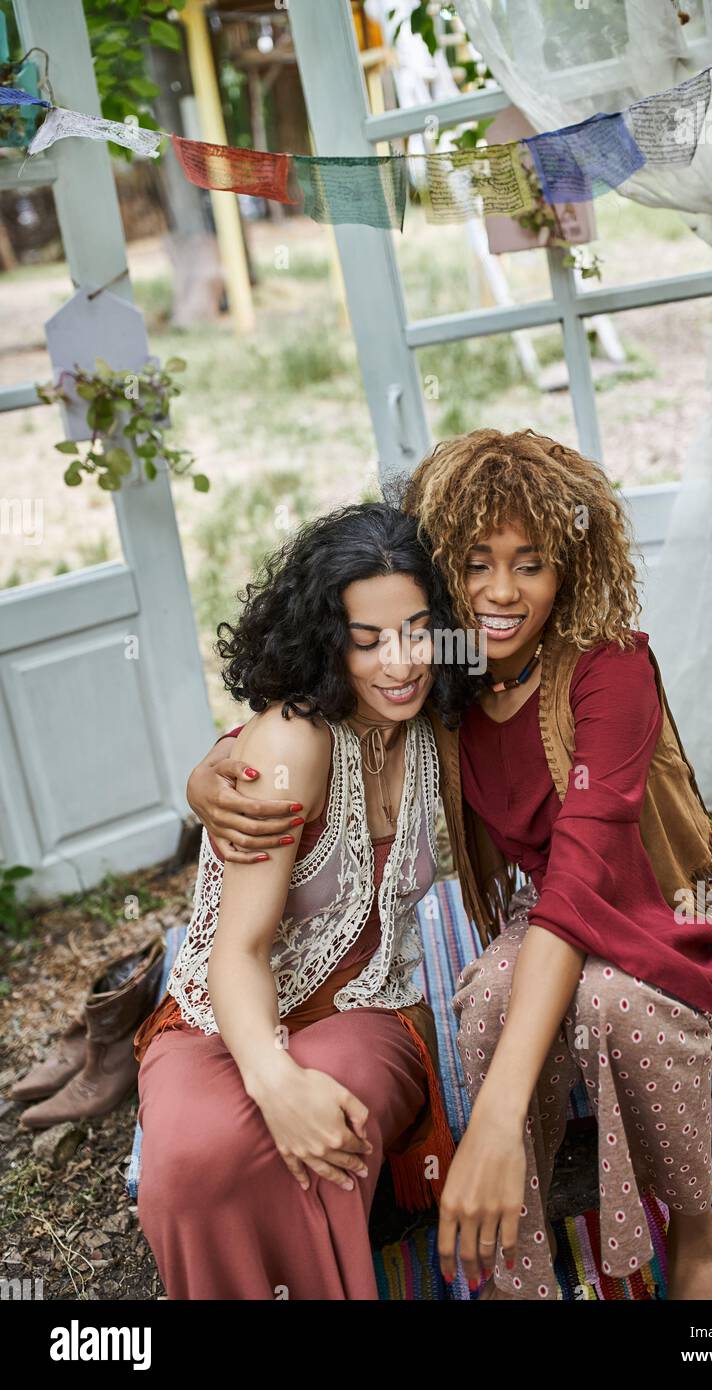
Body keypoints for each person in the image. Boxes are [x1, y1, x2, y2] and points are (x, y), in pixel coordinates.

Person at [187, 430, 712, 1302]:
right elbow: (328, 700)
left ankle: (694, 1225)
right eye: (474, 564)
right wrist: (210, 772)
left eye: (530, 563)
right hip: (560, 935)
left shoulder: (610, 667)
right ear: (441, 569)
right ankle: (519, 1270)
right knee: (485, 1000)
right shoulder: (445, 675)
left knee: (613, 1002)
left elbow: (581, 881)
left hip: (694, 929)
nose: (502, 592)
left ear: (569, 563)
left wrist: (495, 1121)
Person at [134, 502, 467, 1300]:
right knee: (185, 1165)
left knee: (332, 1120)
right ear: (328, 641)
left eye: (418, 630)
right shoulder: (295, 741)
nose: (401, 662)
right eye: (370, 641)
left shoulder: (441, 726)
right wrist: (273, 1081)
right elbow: (238, 952)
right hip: (224, 1016)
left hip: (366, 1011)